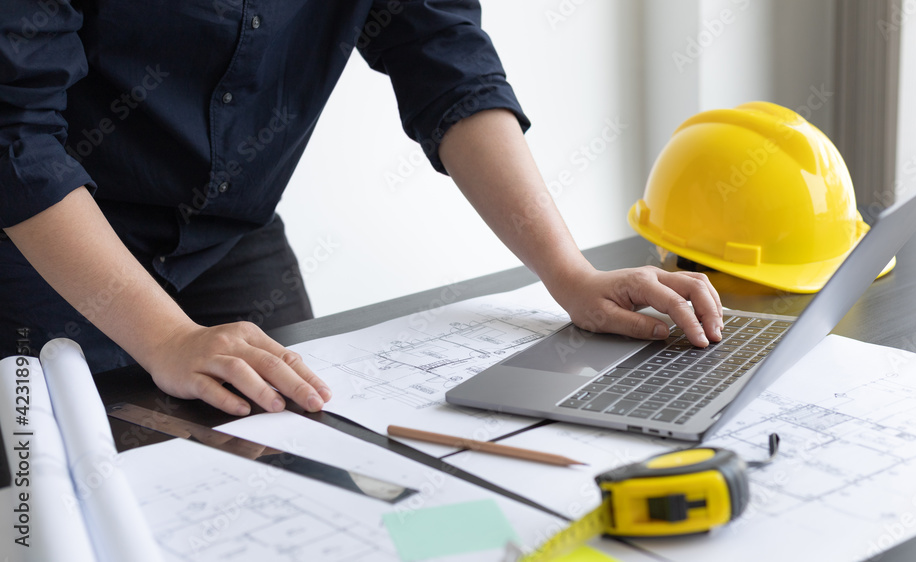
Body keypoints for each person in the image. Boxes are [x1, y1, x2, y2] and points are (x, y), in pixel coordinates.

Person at [0, 0, 722, 417]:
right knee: (56, 505)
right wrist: (166, 338)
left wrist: (568, 273)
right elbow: (16, 136)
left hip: (229, 234)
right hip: (43, 246)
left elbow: (445, 59)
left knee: (301, 448)